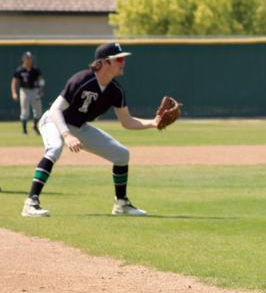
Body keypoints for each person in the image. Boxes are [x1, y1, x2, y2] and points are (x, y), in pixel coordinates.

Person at [22, 42, 162, 217]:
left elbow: (127, 121)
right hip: (54, 121)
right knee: (55, 148)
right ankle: (31, 202)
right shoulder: (82, 80)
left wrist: (154, 122)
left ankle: (121, 204)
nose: (123, 62)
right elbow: (55, 110)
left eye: (123, 59)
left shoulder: (115, 90)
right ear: (103, 62)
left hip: (79, 127)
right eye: (118, 58)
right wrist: (66, 135)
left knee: (122, 154)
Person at [11, 51, 45, 135]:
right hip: (24, 91)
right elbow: (14, 82)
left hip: (34, 90)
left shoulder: (35, 70)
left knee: (38, 111)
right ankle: (24, 130)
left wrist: (41, 90)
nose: (28, 60)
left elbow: (41, 80)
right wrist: (14, 93)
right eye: (27, 58)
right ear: (23, 59)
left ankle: (35, 126)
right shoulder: (20, 70)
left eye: (30, 58)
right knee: (25, 111)